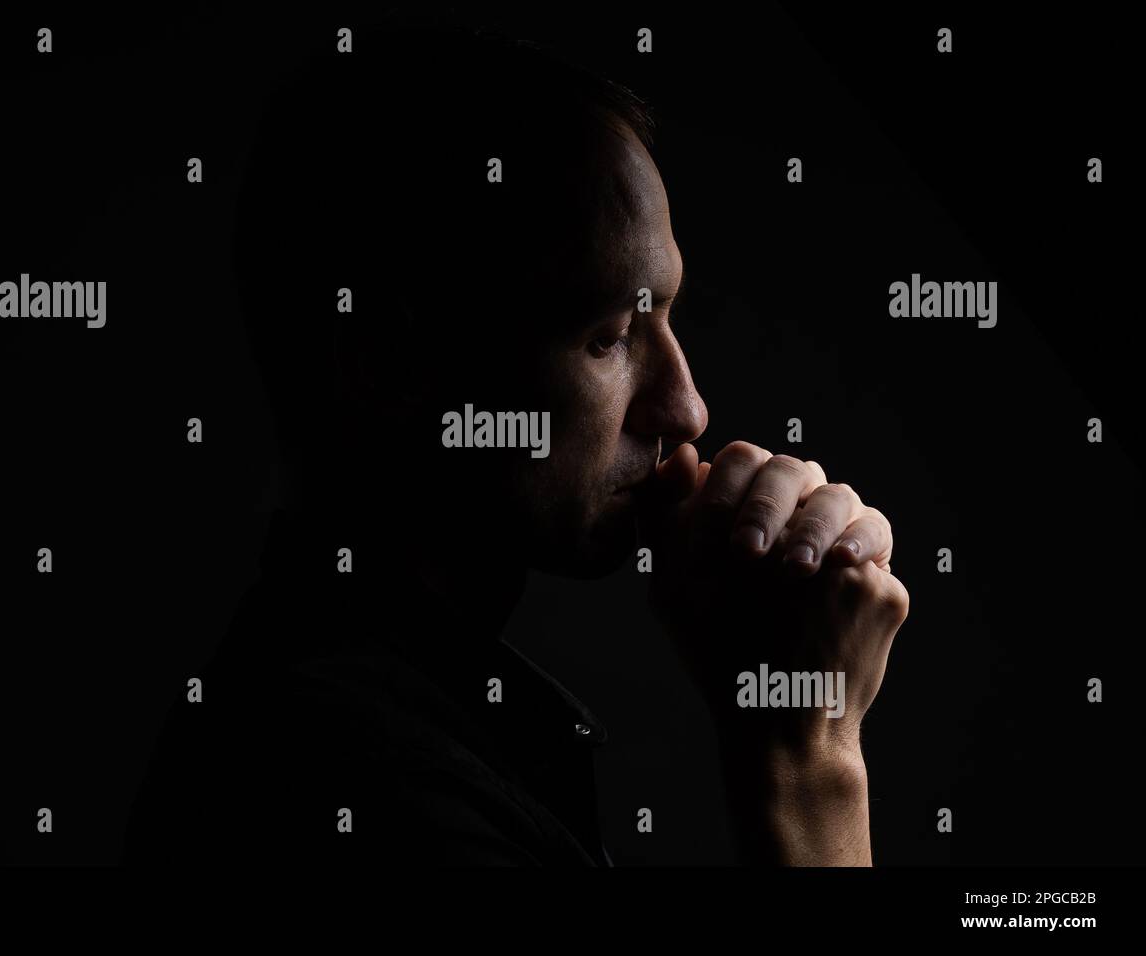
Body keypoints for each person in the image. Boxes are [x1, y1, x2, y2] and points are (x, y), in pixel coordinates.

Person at [123, 14, 909, 867]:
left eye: (665, 314)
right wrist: (808, 759)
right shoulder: (368, 800)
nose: (686, 409)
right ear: (389, 363)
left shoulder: (386, 725)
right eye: (608, 336)